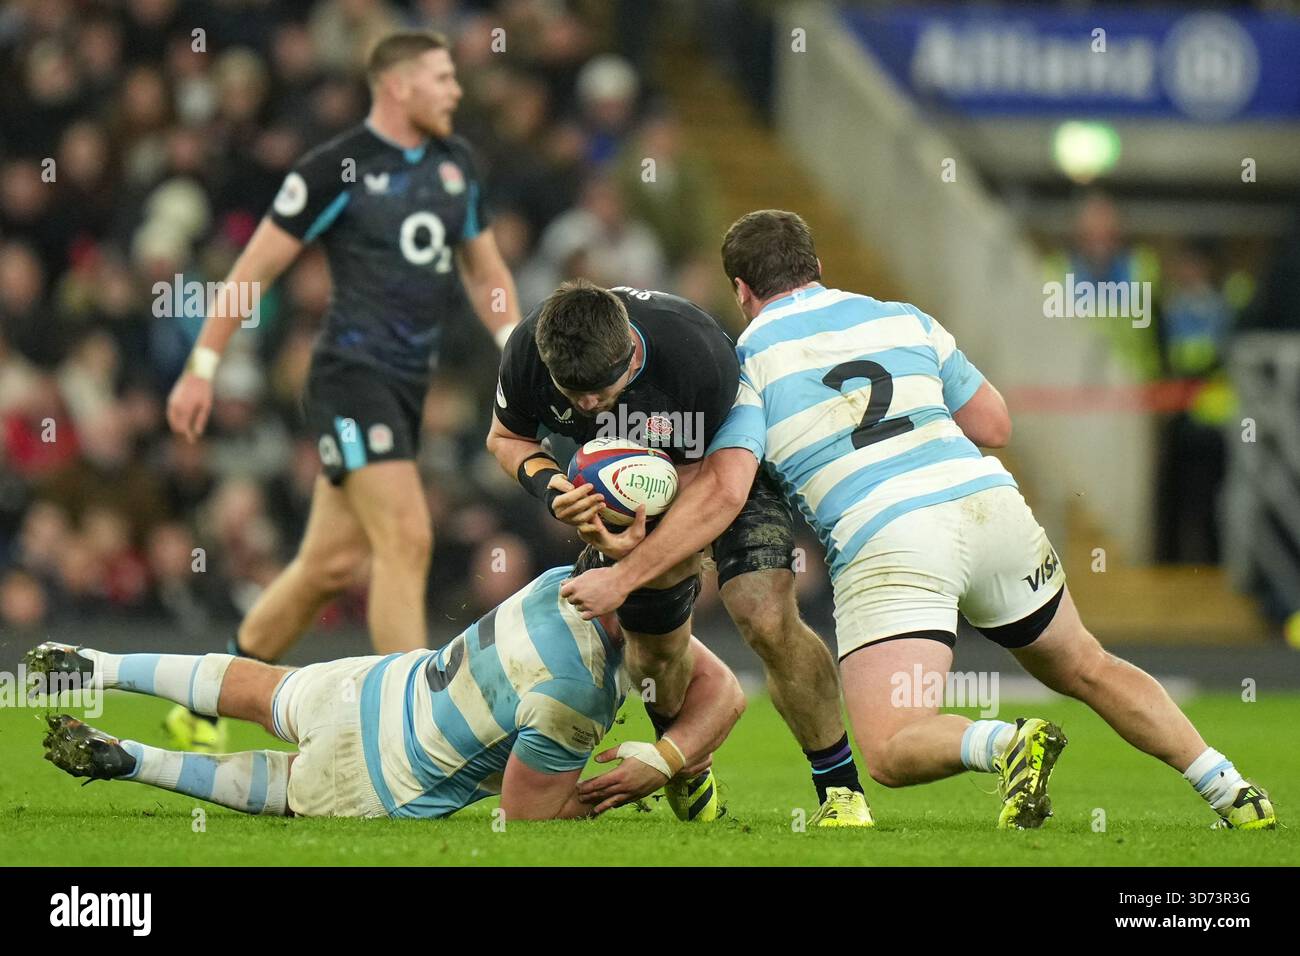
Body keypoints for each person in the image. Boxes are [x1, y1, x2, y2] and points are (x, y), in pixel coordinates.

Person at [562, 209, 1277, 832]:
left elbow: (731, 483)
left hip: (891, 539)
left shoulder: (746, 360)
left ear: (741, 292)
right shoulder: (902, 317)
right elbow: (993, 423)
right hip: (990, 507)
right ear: (819, 266)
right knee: (1088, 665)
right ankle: (1229, 786)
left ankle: (1003, 744)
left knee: (891, 749)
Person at [163, 32, 522, 751]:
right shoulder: (335, 170)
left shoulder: (457, 166)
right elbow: (254, 268)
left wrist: (514, 342)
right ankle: (410, 729)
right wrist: (202, 365)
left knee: (326, 567)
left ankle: (200, 702)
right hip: (350, 380)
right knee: (407, 537)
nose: (456, 90)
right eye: (442, 77)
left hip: (405, 390)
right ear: (398, 86)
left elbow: (485, 270)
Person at [486, 278, 871, 826]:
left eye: (601, 389)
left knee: (765, 616)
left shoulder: (693, 353)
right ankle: (686, 768)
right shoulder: (528, 351)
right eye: (575, 396)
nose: (590, 404)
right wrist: (556, 493)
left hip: (723, 468)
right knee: (654, 653)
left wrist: (624, 574)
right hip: (638, 484)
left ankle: (841, 790)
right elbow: (506, 439)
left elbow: (714, 492)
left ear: (631, 354)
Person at [29, 552, 745, 821]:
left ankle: (98, 665)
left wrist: (670, 755)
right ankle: (134, 759)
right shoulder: (578, 692)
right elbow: (531, 815)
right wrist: (616, 792)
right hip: (382, 778)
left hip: (376, 686)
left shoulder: (563, 583)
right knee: (278, 787)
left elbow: (723, 691)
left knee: (256, 686)